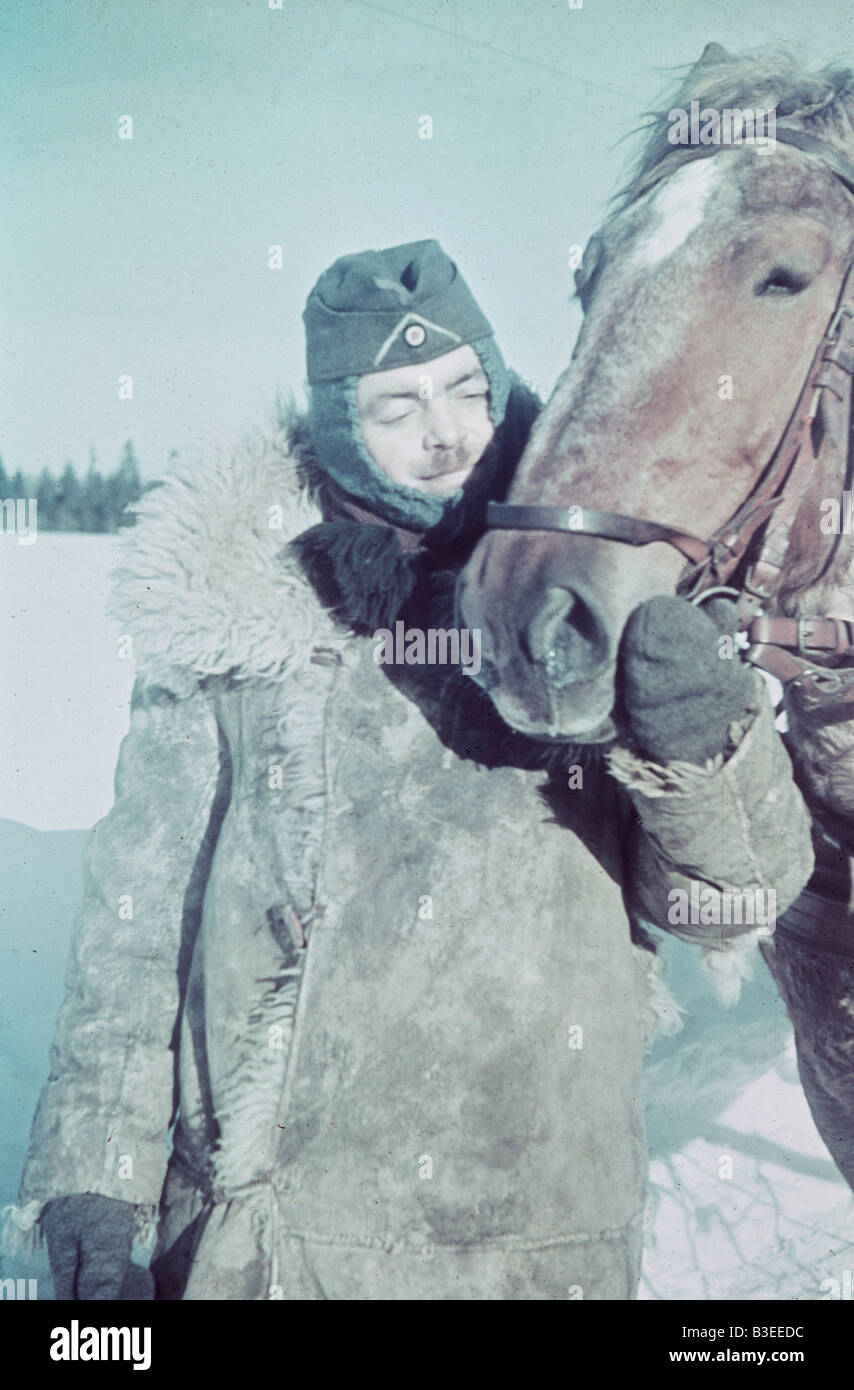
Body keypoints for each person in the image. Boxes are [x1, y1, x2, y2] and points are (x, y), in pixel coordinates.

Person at [6, 240, 813, 1300]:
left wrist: (701, 747)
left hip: (532, 1242)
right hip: (268, 1244)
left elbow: (727, 908)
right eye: (397, 408)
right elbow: (138, 926)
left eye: (465, 392)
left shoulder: (581, 605)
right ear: (341, 426)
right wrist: (97, 1179)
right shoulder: (235, 622)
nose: (445, 434)